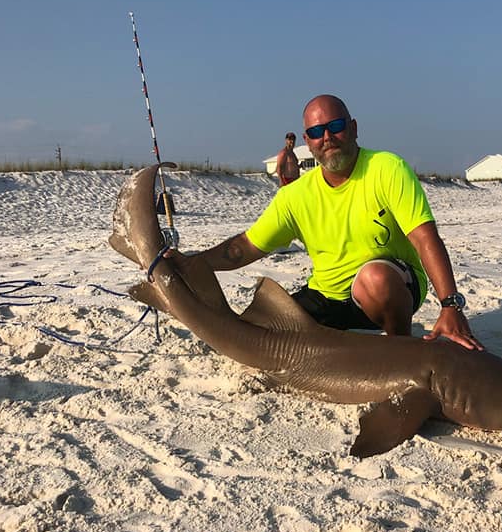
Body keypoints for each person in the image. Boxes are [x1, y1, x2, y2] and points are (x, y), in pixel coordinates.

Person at [174, 95, 481, 349]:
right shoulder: (295, 196)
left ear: (354, 128)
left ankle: (399, 345)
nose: (328, 137)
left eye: (336, 126)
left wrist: (450, 304)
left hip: (390, 292)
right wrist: (190, 265)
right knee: (253, 333)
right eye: (318, 131)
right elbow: (246, 247)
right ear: (307, 140)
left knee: (375, 277)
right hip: (327, 296)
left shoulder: (387, 168)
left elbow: (424, 238)